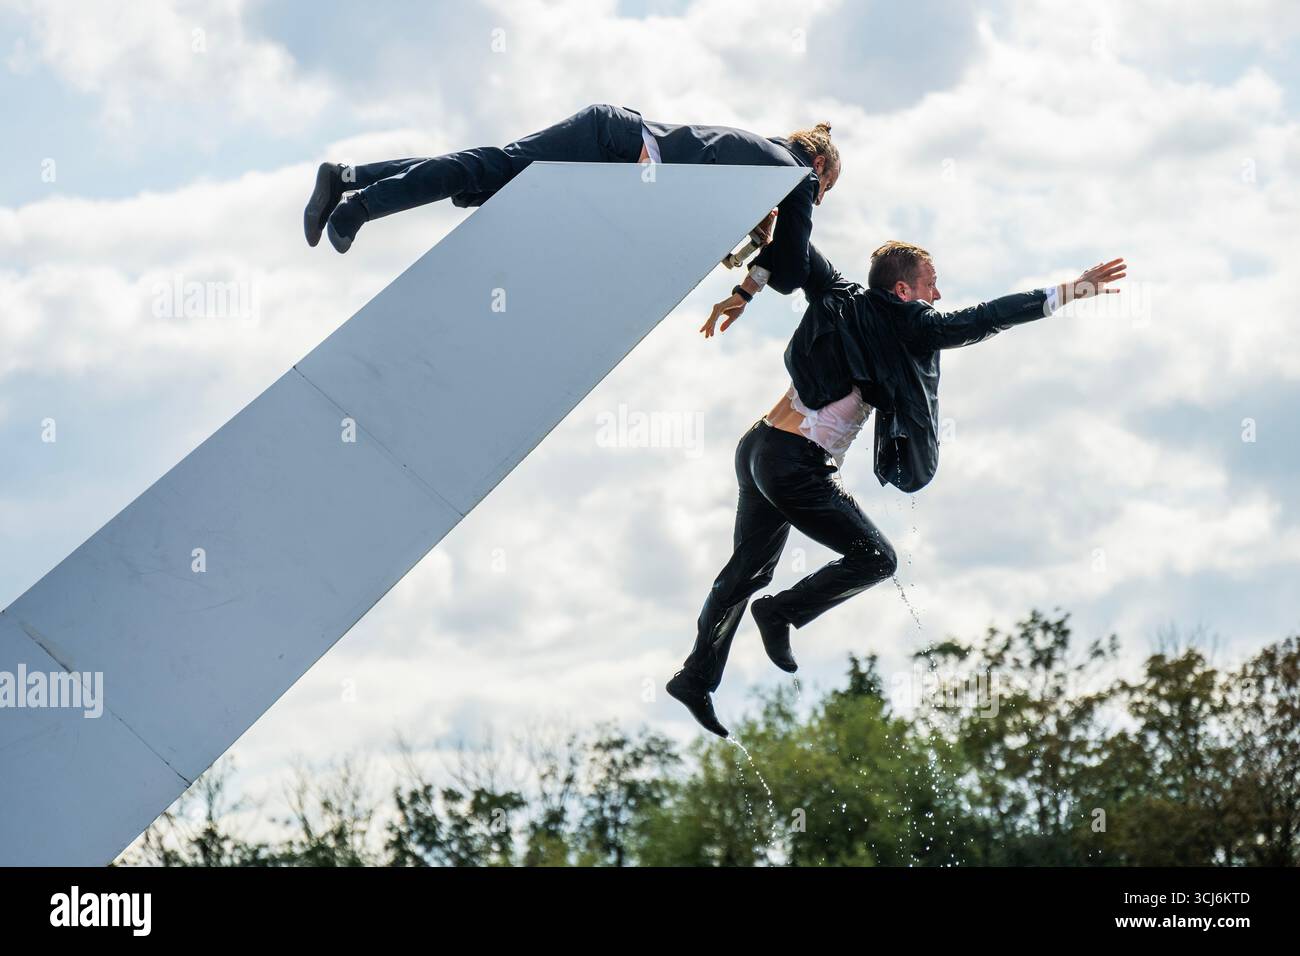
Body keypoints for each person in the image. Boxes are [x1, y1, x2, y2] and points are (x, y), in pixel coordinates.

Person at [667, 241, 1127, 736]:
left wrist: (755, 265)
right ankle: (779, 612)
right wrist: (1071, 290)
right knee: (876, 559)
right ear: (903, 289)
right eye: (931, 284)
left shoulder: (840, 291)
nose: (939, 294)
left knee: (744, 571)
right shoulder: (913, 322)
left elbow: (797, 245)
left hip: (758, 447)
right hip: (796, 463)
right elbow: (985, 318)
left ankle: (696, 676)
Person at [302, 104, 839, 307]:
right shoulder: (791, 174)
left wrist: (748, 279)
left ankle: (349, 179)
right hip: (614, 148)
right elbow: (794, 270)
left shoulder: (762, 161)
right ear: (817, 171)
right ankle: (361, 206)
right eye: (824, 191)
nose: (815, 201)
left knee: (486, 176)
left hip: (613, 144)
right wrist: (761, 266)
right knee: (488, 171)